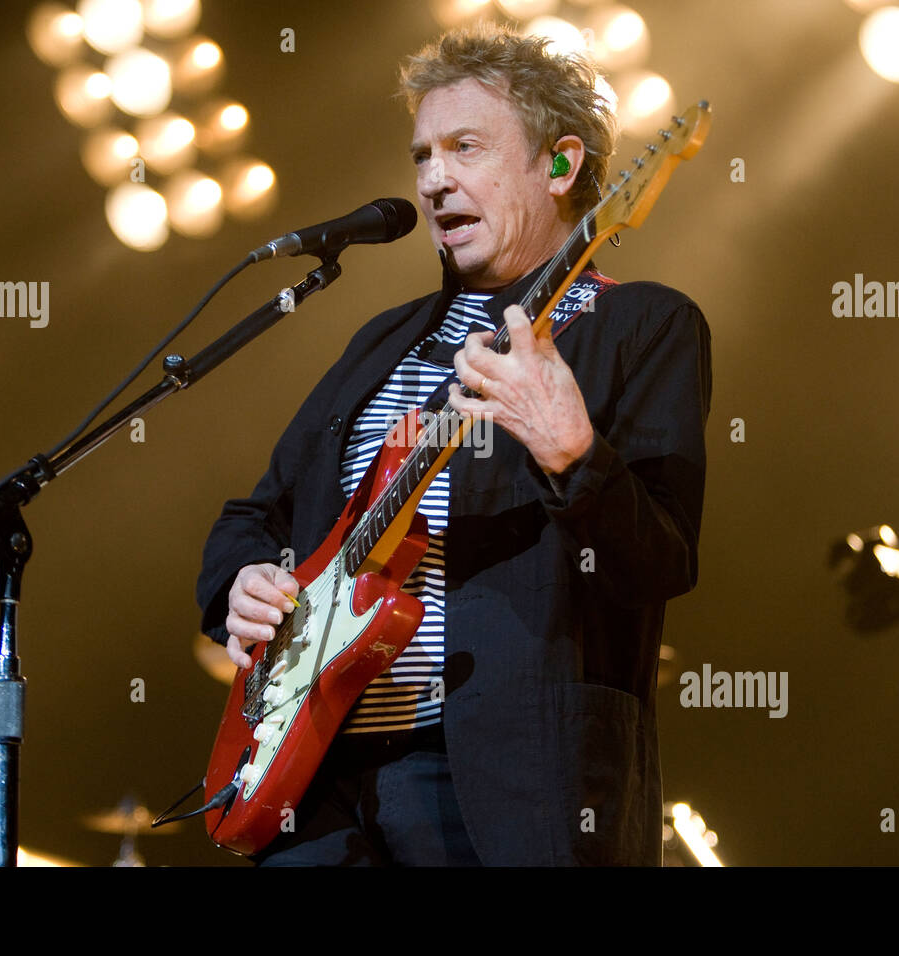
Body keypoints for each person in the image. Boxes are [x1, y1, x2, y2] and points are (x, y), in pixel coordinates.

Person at [196, 23, 711, 866]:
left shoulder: (638, 326)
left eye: (465, 148)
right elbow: (251, 515)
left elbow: (662, 561)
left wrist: (574, 458)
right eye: (423, 156)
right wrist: (241, 584)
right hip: (318, 785)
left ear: (560, 165)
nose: (434, 181)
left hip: (506, 787)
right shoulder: (382, 342)